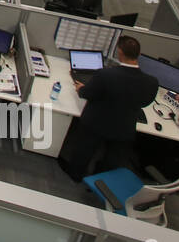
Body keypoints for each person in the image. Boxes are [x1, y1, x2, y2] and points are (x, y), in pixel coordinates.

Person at [58, 36, 159, 182]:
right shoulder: (152, 82)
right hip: (123, 128)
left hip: (96, 123)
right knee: (111, 159)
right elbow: (145, 103)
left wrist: (81, 88)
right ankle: (101, 181)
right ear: (139, 54)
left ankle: (76, 174)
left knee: (84, 150)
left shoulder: (106, 74)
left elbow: (87, 94)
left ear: (120, 52)